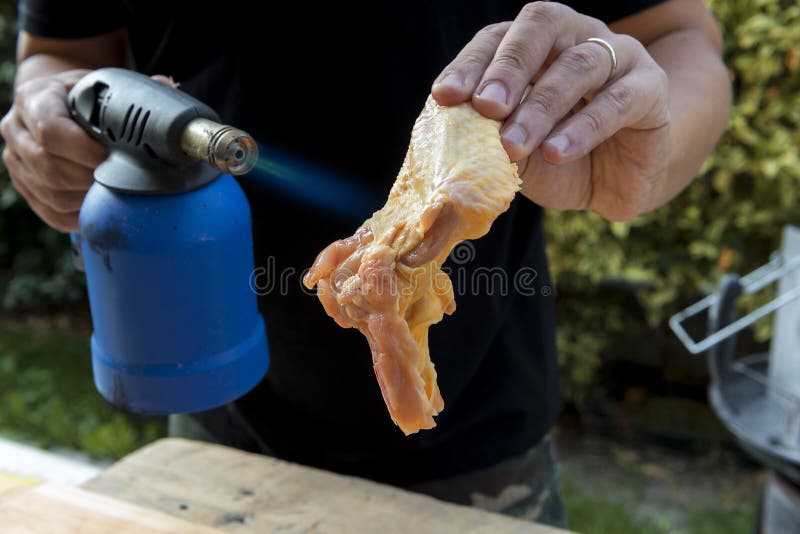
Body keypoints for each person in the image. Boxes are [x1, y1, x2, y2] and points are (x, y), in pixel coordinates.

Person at [1, 0, 730, 527]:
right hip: (219, 425)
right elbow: (59, 50)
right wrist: (44, 110)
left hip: (485, 447)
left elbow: (678, 34)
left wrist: (647, 157)